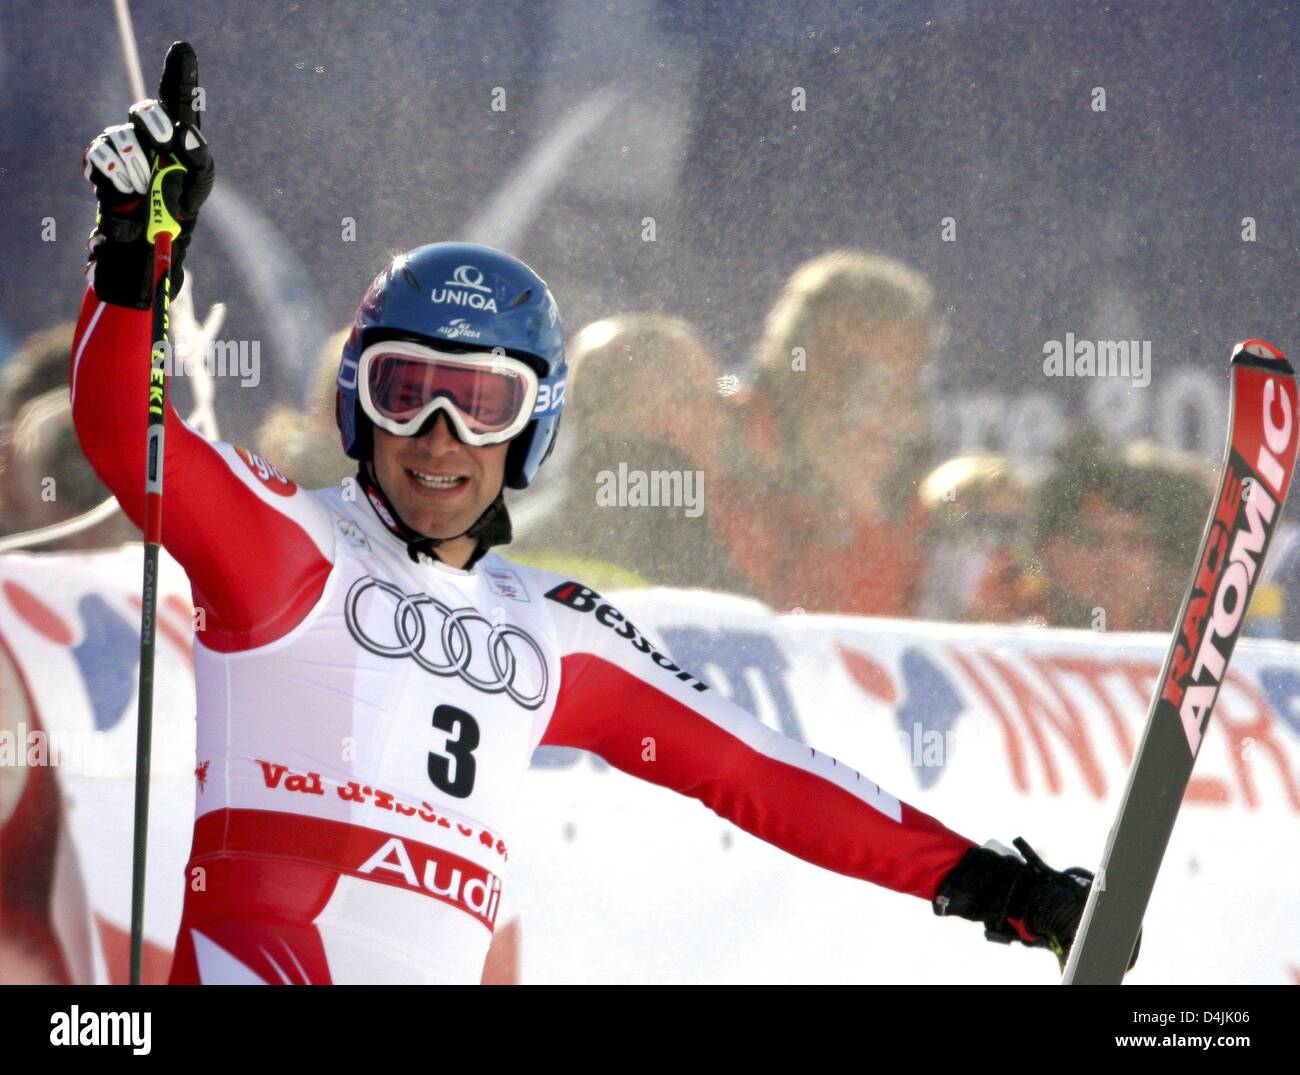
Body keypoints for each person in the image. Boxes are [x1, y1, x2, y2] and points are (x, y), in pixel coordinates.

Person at [71, 43, 1135, 984]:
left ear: (532, 432)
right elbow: (123, 425)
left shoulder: (556, 631)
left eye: (482, 403)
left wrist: (992, 884)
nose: (440, 434)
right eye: (405, 391)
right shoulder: (283, 546)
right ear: (358, 402)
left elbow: (756, 773)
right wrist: (135, 249)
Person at [711, 250, 943, 616]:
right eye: (849, 367)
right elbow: (743, 613)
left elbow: (881, 642)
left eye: (896, 382)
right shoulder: (716, 440)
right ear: (790, 356)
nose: (860, 395)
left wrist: (861, 519)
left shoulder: (903, 477)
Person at [509, 313, 750, 592]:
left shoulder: (507, 543)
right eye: (704, 398)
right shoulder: (706, 550)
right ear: (659, 415)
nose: (723, 417)